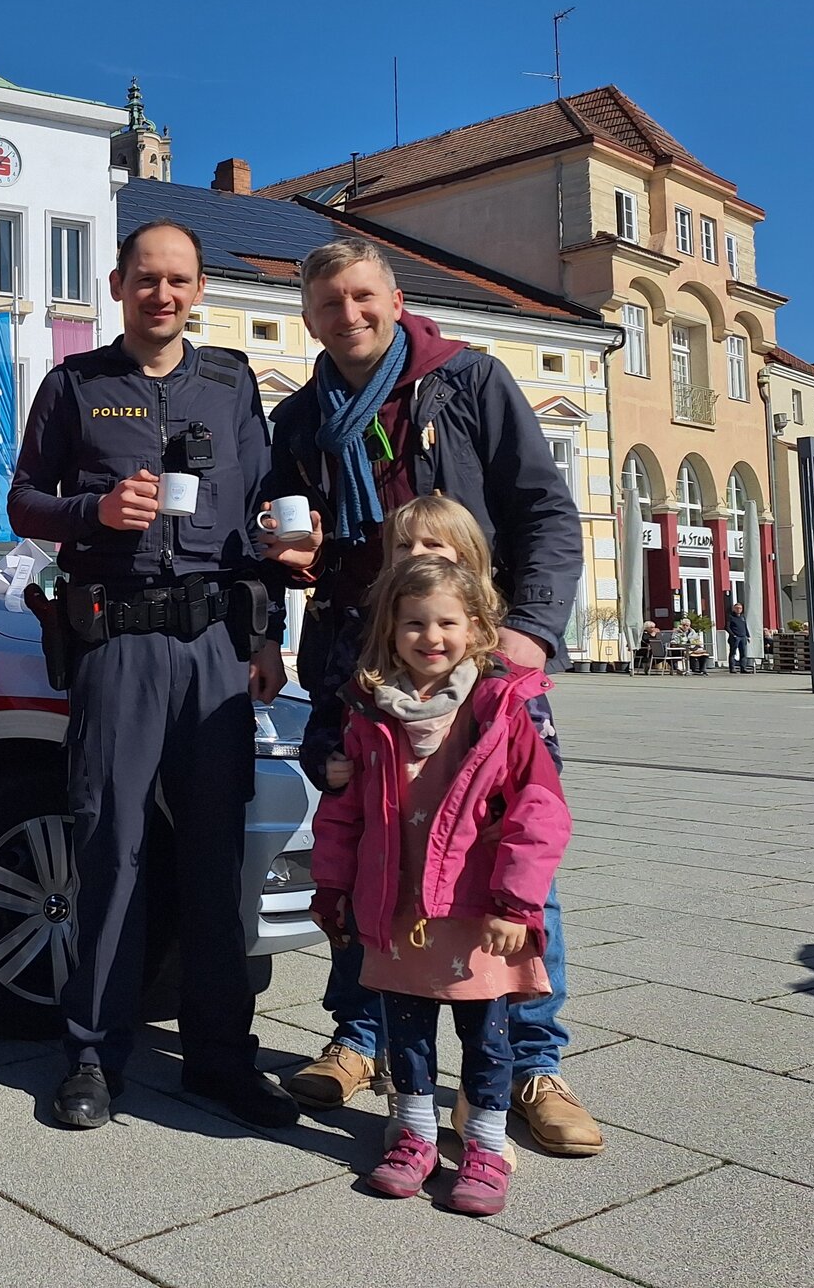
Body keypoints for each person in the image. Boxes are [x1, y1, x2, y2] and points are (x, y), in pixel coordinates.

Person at [265, 236, 602, 1158]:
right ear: (310, 317)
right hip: (361, 667)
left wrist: (526, 636)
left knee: (508, 846)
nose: (350, 315)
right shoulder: (301, 421)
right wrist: (291, 561)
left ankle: (534, 1062)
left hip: (482, 663)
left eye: (364, 296)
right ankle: (362, 1037)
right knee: (368, 845)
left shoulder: (468, 382)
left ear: (395, 295)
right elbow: (298, 542)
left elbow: (543, 512)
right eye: (330, 303)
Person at [9, 218, 299, 1132]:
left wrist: (266, 634)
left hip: (214, 650)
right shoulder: (75, 385)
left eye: (178, 281)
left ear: (199, 289)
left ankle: (221, 1058)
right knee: (111, 849)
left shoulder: (229, 385)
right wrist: (96, 509)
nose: (162, 295)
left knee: (217, 858)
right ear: (118, 284)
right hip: (118, 646)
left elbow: (259, 520)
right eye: (146, 279)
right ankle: (93, 1057)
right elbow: (21, 500)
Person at [311, 557, 571, 1216]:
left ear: (477, 626)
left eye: (447, 623)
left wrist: (518, 901)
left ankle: (483, 1141)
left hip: (476, 910)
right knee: (408, 1033)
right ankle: (417, 1135)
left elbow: (538, 809)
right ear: (391, 632)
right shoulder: (371, 713)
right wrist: (331, 890)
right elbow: (345, 816)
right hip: (397, 910)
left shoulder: (498, 707)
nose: (431, 637)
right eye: (415, 624)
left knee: (485, 1035)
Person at [319, 495, 490, 792]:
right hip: (382, 801)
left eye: (432, 544)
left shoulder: (489, 636)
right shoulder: (361, 631)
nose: (415, 552)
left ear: (464, 555)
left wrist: (504, 810)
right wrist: (324, 758)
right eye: (403, 545)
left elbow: (532, 743)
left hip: (467, 806)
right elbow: (328, 710)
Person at [726, 601, 752, 673]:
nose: (739, 610)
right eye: (737, 608)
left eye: (740, 608)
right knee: (733, 653)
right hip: (735, 637)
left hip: (743, 637)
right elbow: (727, 627)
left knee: (743, 653)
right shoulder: (730, 617)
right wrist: (733, 635)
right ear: (734, 609)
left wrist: (748, 635)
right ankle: (732, 668)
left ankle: (743, 668)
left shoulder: (742, 617)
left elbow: (745, 626)